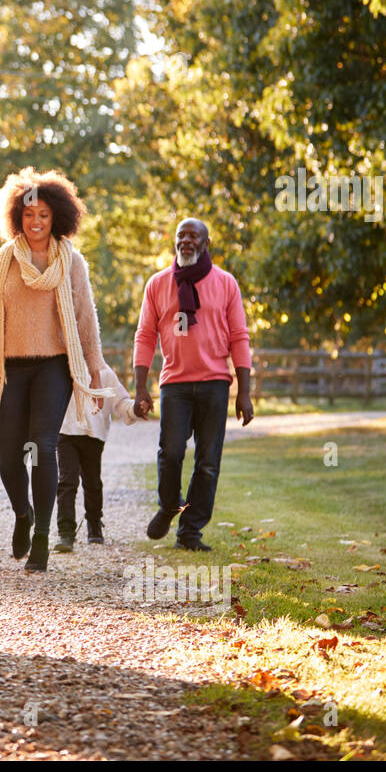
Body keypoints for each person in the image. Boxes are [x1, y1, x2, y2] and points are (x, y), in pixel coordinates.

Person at [0, 167, 112, 573]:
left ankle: (44, 536)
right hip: (10, 368)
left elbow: (85, 318)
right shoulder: (2, 261)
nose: (36, 222)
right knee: (9, 457)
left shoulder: (71, 262)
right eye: (29, 214)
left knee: (43, 446)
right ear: (17, 216)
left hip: (53, 367)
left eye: (44, 215)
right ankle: (22, 514)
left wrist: (94, 368)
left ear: (57, 218)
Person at [132, 217, 253, 552]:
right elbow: (145, 336)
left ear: (206, 243)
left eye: (193, 236)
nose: (186, 240)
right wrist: (141, 387)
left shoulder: (226, 283)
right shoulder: (157, 284)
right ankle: (170, 504)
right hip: (175, 384)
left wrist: (244, 391)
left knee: (208, 461)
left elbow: (240, 338)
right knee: (171, 453)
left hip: (215, 383)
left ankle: (190, 531)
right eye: (180, 235)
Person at [54, 365, 138, 552]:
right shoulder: (62, 368)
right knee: (67, 482)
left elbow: (121, 402)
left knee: (92, 482)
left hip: (93, 435)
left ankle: (94, 523)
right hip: (66, 433)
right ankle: (66, 533)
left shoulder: (105, 372)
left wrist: (135, 409)